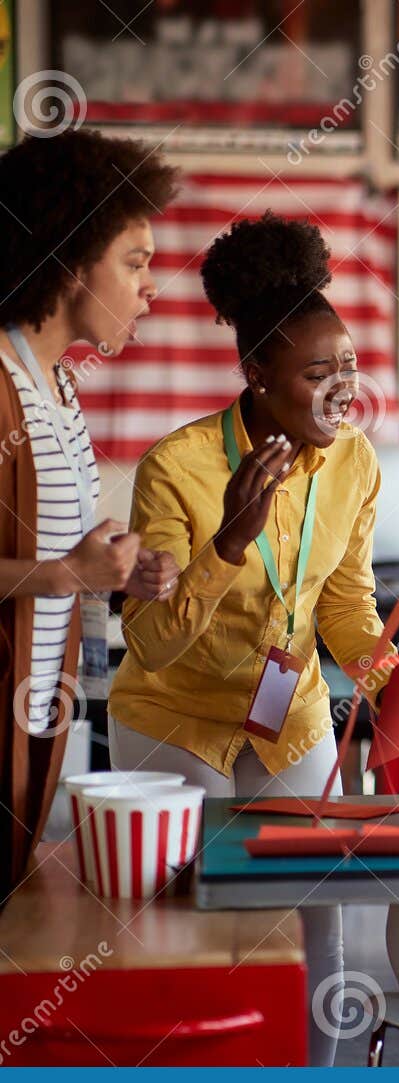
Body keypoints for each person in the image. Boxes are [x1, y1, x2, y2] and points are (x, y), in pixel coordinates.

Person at [109, 213, 394, 1067]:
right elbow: (152, 640)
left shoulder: (355, 463)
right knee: (183, 933)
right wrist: (229, 541)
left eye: (348, 367)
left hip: (290, 717)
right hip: (177, 718)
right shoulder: (179, 466)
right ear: (256, 373)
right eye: (318, 373)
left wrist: (388, 677)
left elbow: (346, 605)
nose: (344, 390)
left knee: (322, 941)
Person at [0, 128, 181, 900]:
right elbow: (50, 570)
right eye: (134, 263)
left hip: (42, 723)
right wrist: (71, 570)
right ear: (71, 260)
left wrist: (111, 574)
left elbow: (51, 562)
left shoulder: (60, 389)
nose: (151, 288)